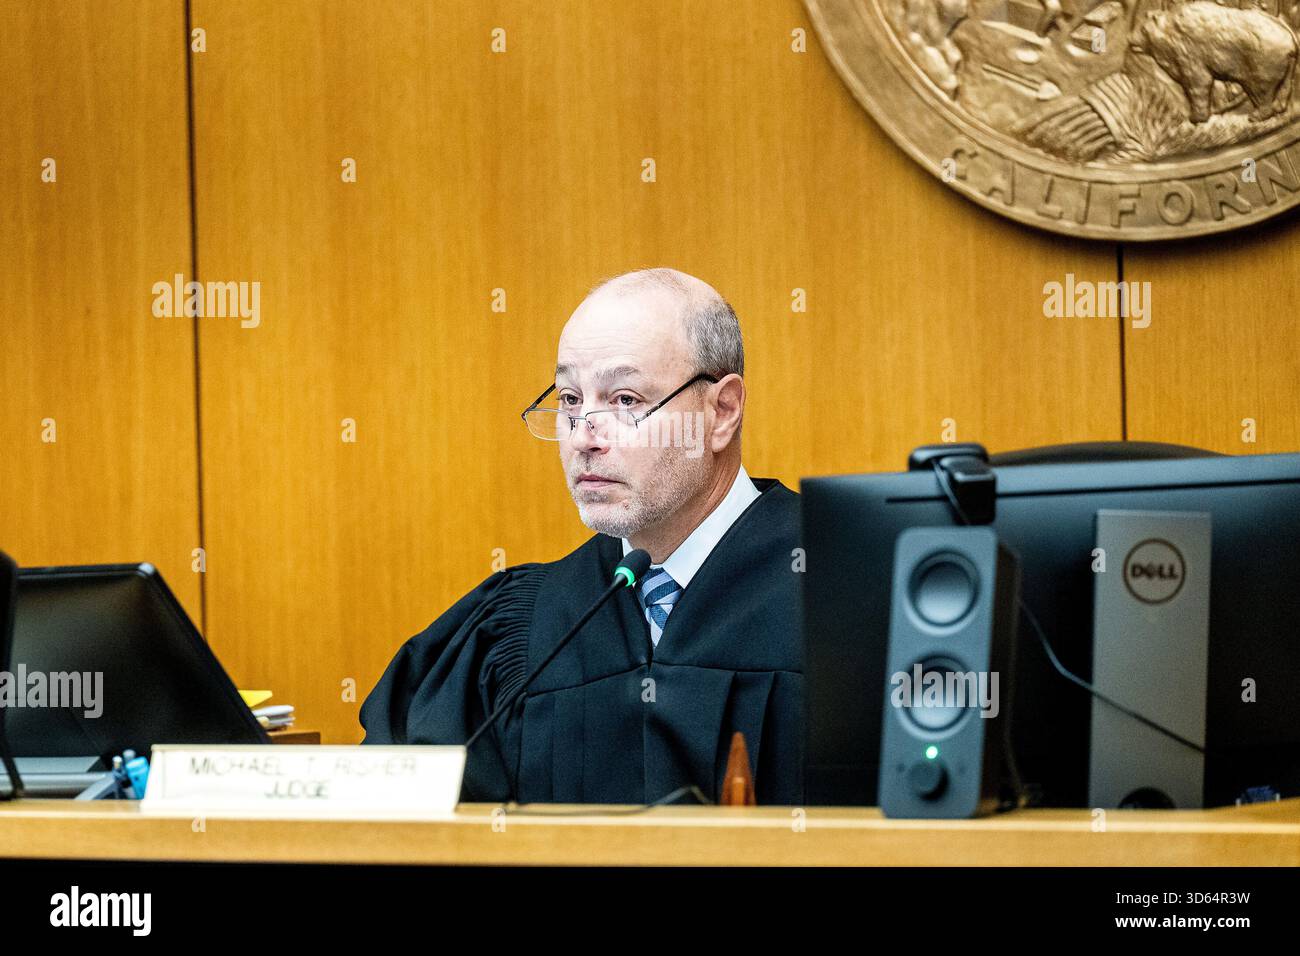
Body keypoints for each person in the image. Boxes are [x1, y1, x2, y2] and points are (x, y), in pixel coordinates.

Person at [360, 268, 803, 804]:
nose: (584, 437)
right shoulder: (521, 626)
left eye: (624, 399)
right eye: (570, 399)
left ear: (722, 411)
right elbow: (390, 813)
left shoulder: (843, 592)